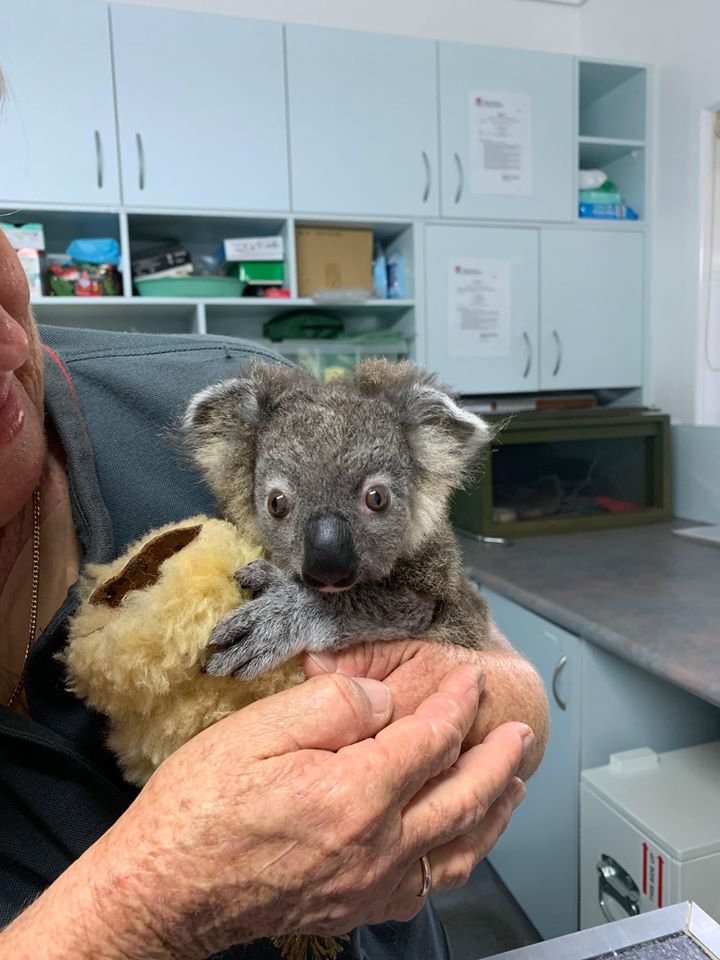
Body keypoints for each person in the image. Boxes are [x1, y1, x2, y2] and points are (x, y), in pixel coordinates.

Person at [0, 212, 548, 959]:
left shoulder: (228, 382)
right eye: (281, 506)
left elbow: (485, 655)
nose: (8, 345)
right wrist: (144, 908)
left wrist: (502, 707)